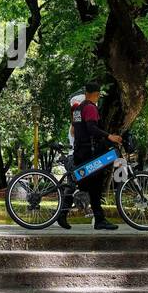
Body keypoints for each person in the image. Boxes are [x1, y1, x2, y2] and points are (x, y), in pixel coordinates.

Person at [58, 80, 122, 230]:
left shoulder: (79, 109)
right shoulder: (91, 108)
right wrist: (109, 137)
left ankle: (96, 218)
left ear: (85, 93)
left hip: (80, 150)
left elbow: (75, 129)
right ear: (97, 94)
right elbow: (92, 128)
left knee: (83, 183)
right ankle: (97, 219)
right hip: (89, 152)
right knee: (92, 184)